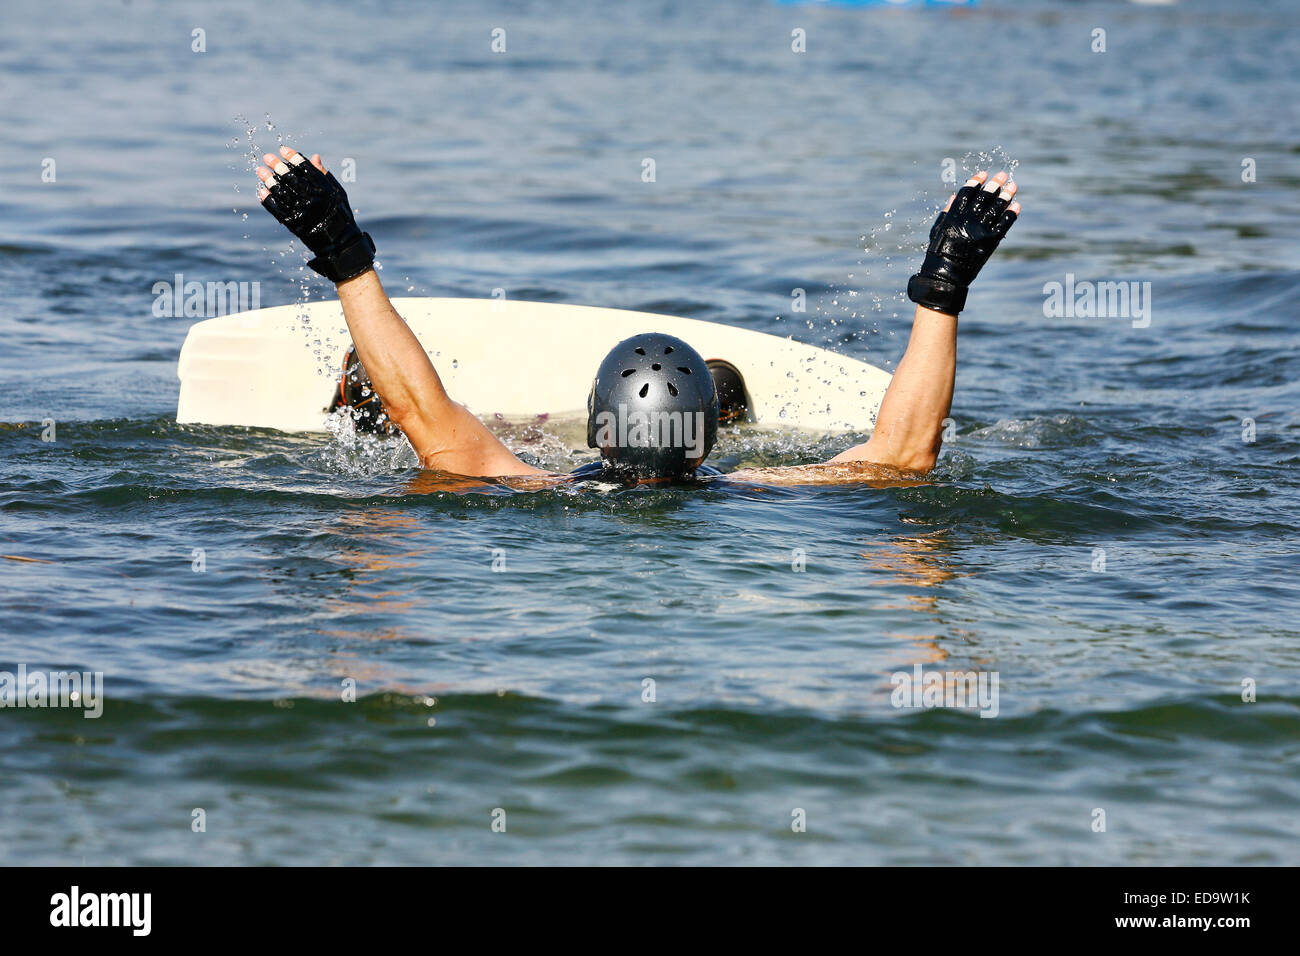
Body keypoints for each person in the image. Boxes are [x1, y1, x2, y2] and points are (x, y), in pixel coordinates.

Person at [256, 147, 1020, 487]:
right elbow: (906, 451)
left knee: (390, 411)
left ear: (597, 424)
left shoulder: (536, 489)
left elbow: (417, 408)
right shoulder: (763, 490)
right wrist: (943, 283)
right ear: (712, 431)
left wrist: (345, 255)